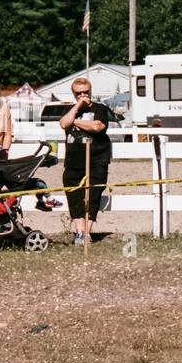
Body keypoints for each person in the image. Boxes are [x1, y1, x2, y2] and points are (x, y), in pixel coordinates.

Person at [58, 77, 112, 244]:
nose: (83, 95)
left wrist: (74, 122)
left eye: (85, 92)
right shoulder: (70, 109)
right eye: (78, 93)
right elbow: (63, 124)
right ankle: (79, 232)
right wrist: (76, 109)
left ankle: (87, 232)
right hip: (74, 160)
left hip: (97, 158)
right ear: (74, 94)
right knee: (74, 194)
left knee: (94, 194)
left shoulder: (100, 108)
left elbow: (97, 127)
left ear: (90, 91)